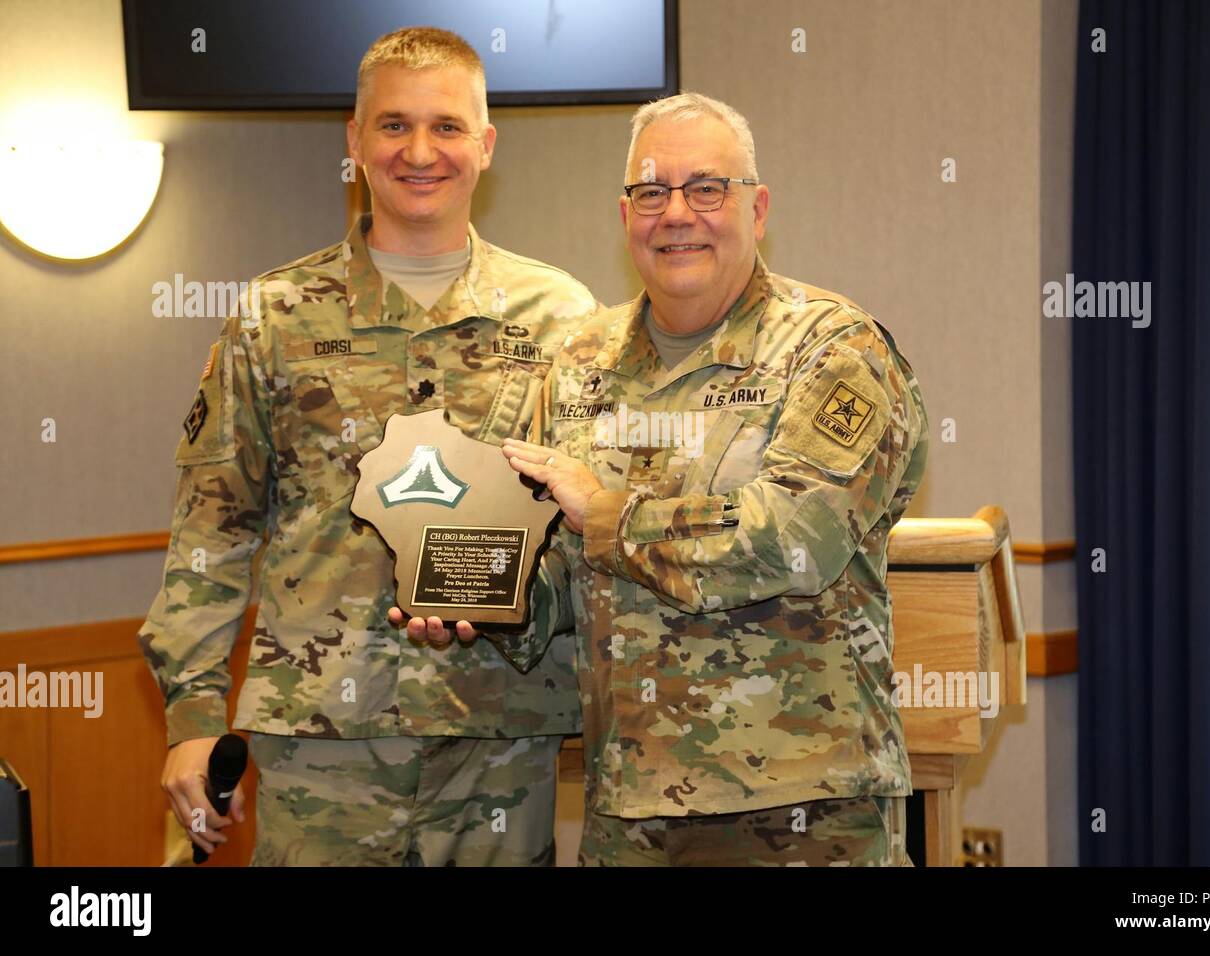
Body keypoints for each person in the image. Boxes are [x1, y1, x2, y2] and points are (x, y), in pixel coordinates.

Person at [399, 92, 929, 866]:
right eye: (651, 192)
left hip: (805, 809)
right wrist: (486, 601)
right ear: (626, 217)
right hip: (631, 811)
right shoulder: (580, 362)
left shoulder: (834, 349)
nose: (676, 213)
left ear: (757, 207)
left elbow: (795, 541)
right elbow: (561, 567)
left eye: (705, 188)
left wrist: (611, 516)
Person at [138, 27, 595, 866]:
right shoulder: (274, 315)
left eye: (448, 127)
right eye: (393, 125)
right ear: (355, 141)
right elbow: (216, 525)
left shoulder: (562, 317)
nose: (420, 151)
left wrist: (526, 614)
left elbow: (584, 526)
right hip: (323, 739)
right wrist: (195, 716)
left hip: (496, 730)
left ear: (486, 145)